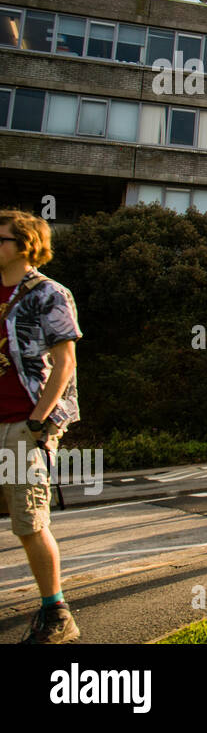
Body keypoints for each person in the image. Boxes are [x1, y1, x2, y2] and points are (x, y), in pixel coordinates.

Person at [0, 210, 82, 643]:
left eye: (1, 239)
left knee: (29, 522)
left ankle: (57, 614)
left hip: (22, 422)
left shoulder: (47, 294)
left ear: (25, 245)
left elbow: (64, 362)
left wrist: (37, 423)